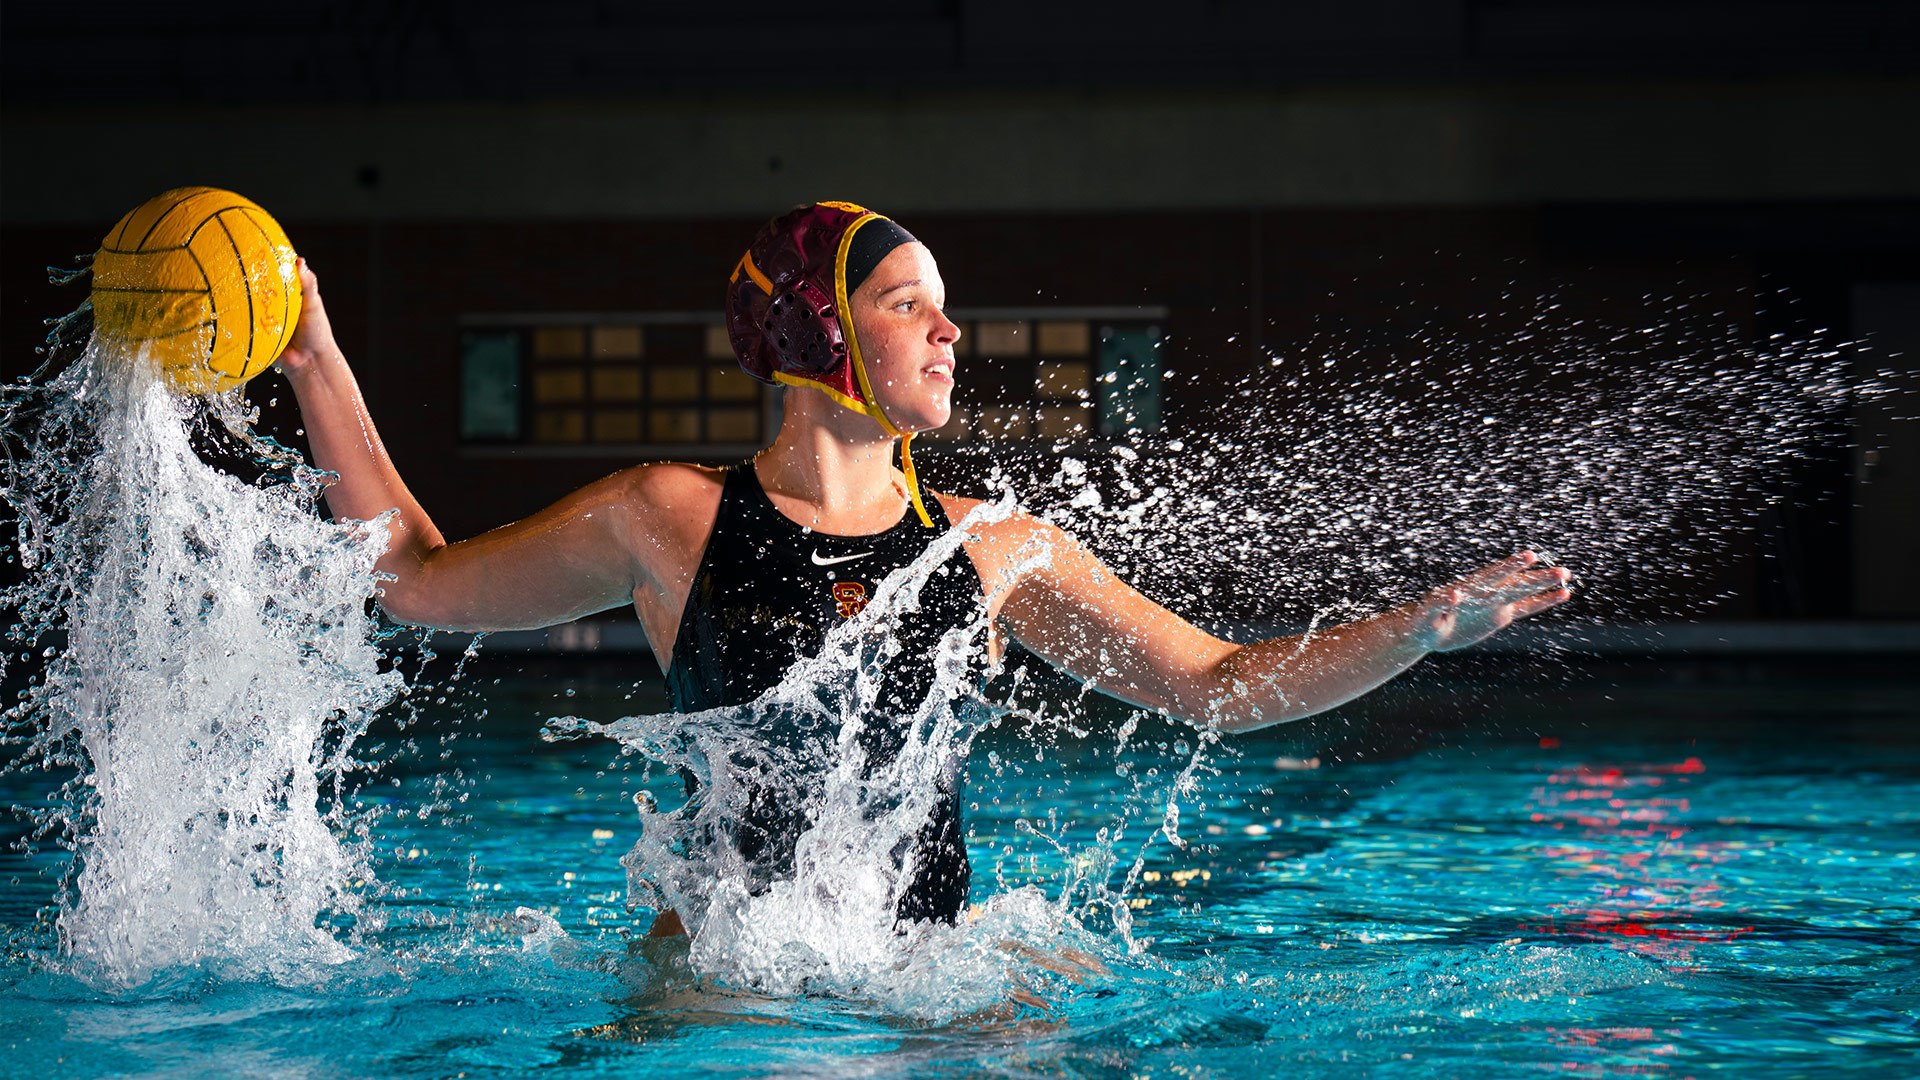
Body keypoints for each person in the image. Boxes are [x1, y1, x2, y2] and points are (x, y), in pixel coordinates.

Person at [276, 200, 1570, 935]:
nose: (952, 328)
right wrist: (315, 361)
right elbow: (414, 584)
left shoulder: (994, 547)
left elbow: (1218, 684)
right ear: (817, 329)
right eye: (909, 302)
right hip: (726, 979)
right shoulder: (663, 518)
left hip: (924, 977)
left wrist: (1413, 630)